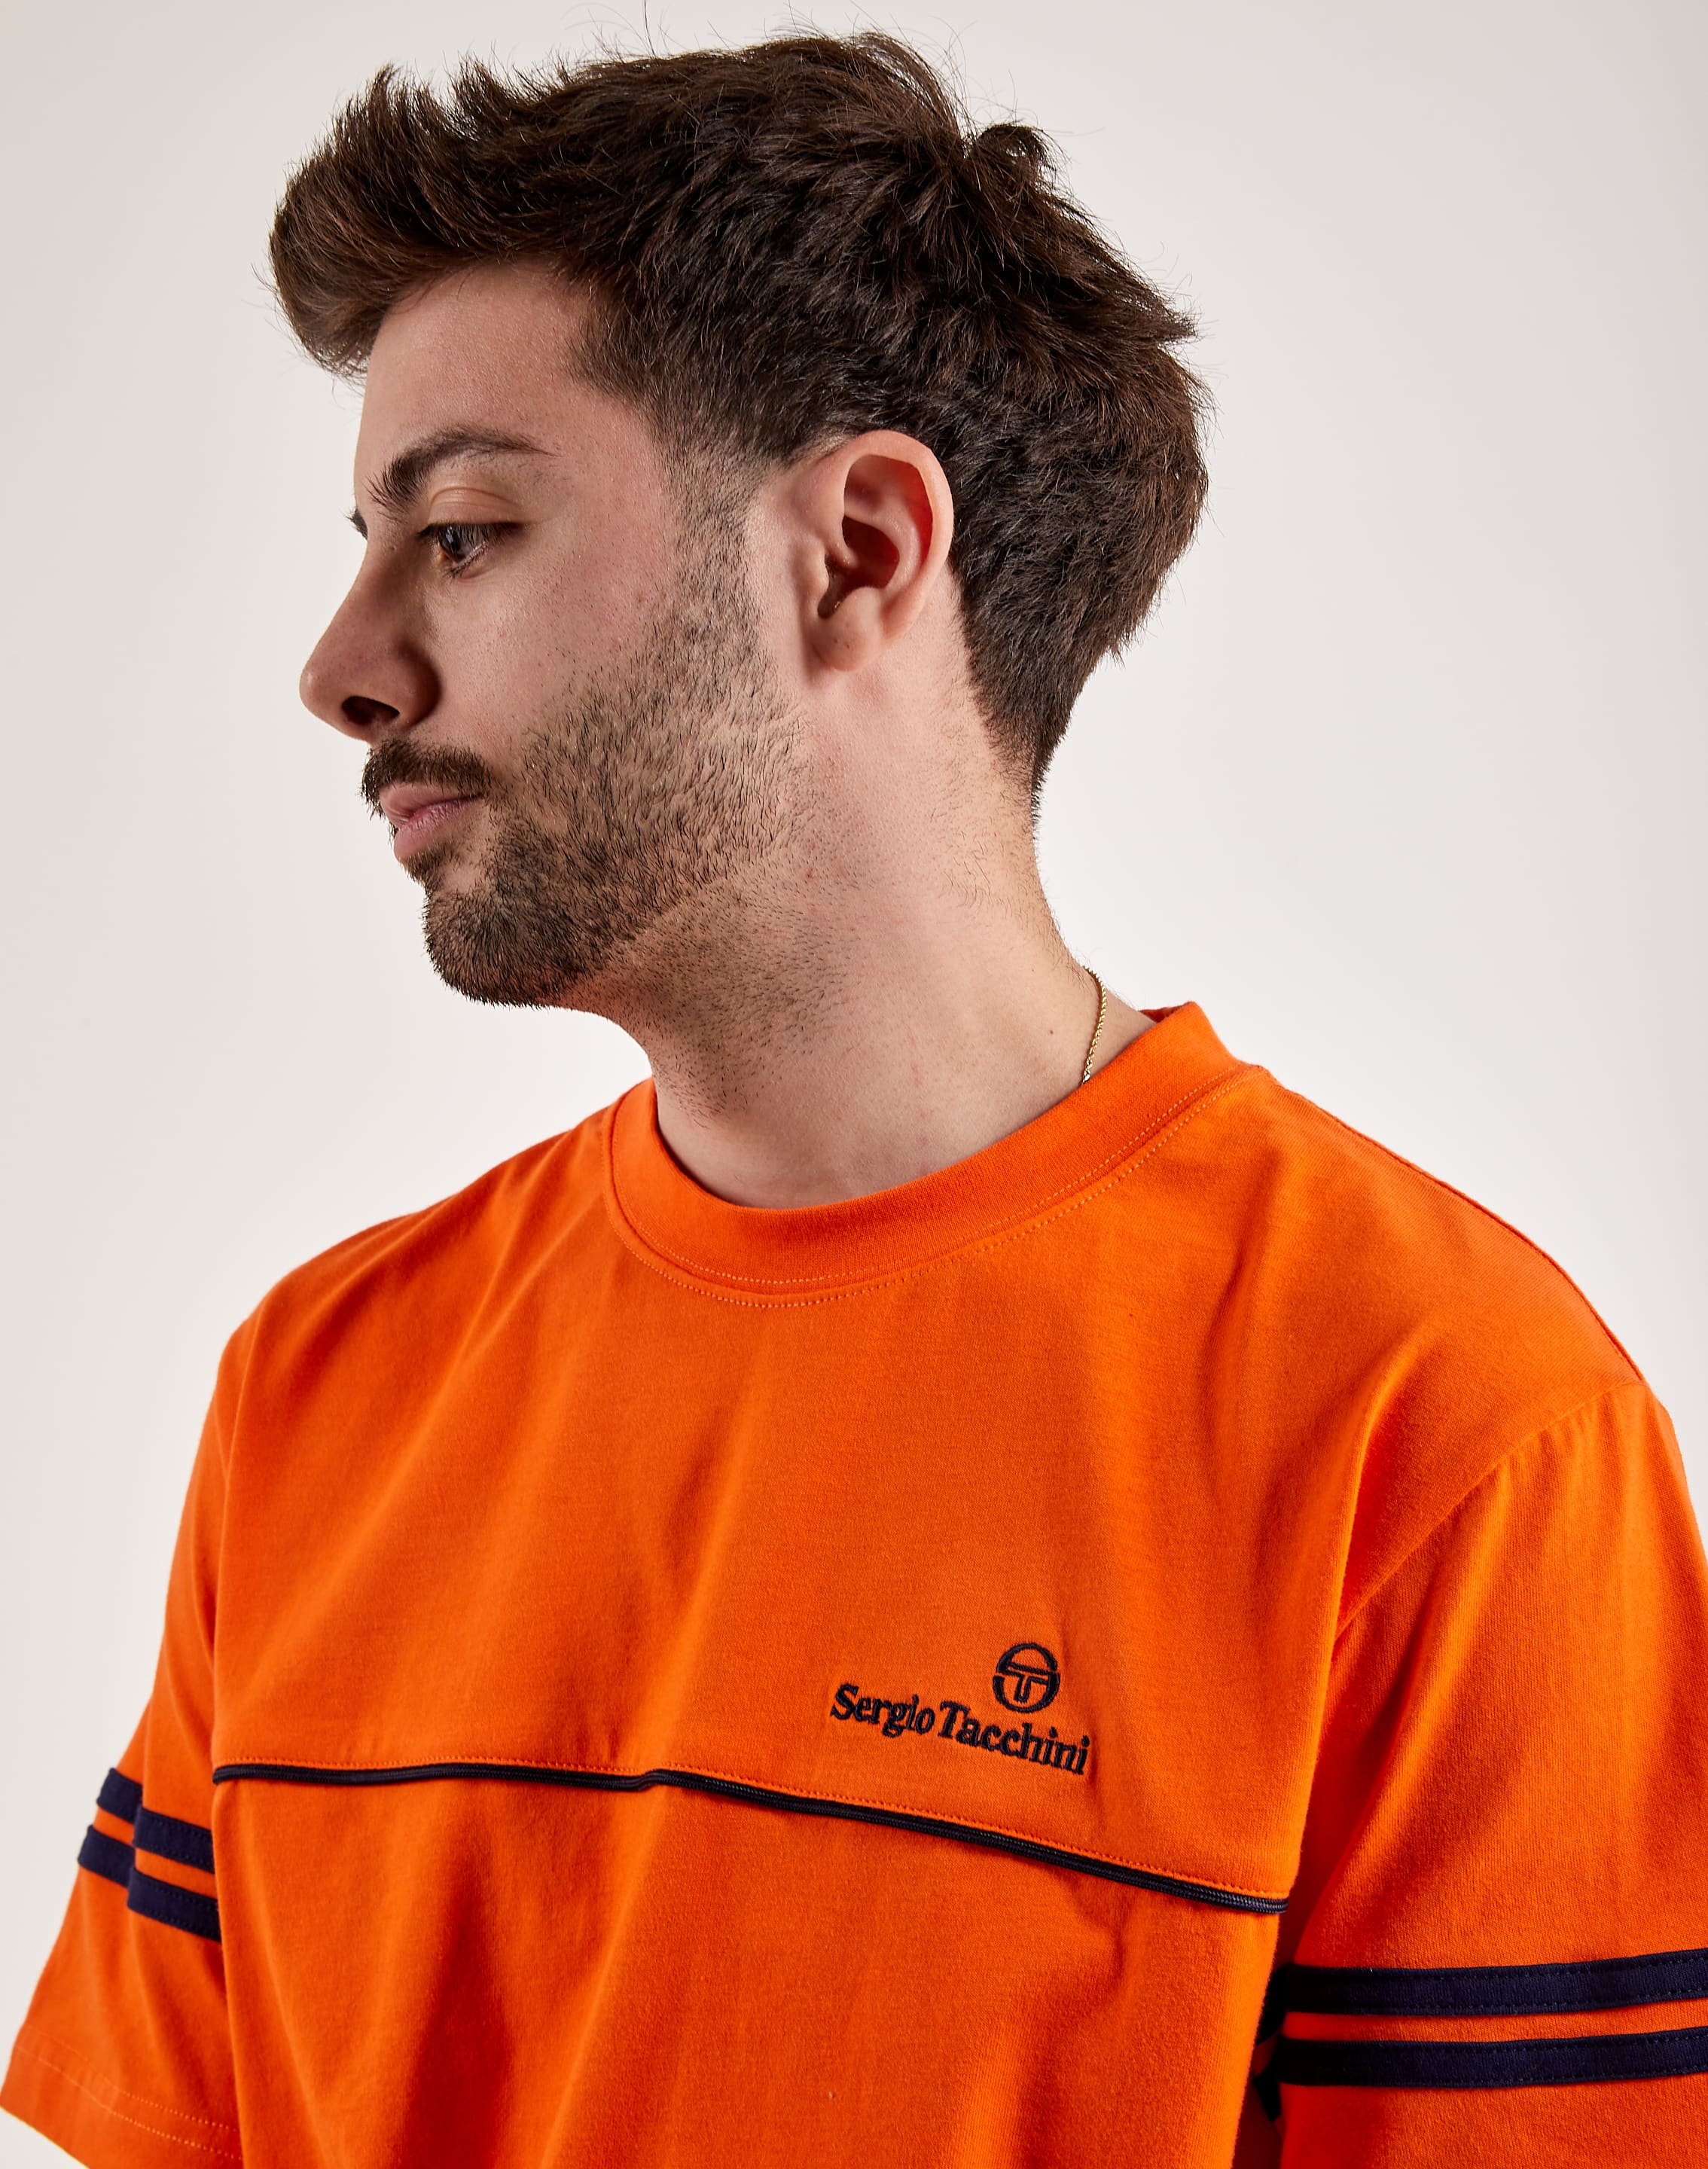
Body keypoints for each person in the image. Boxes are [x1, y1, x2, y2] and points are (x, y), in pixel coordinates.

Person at [5, 31, 1705, 2169]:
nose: (341, 667)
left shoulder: (1441, 1431)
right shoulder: (319, 1389)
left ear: (859, 550)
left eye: (460, 532)